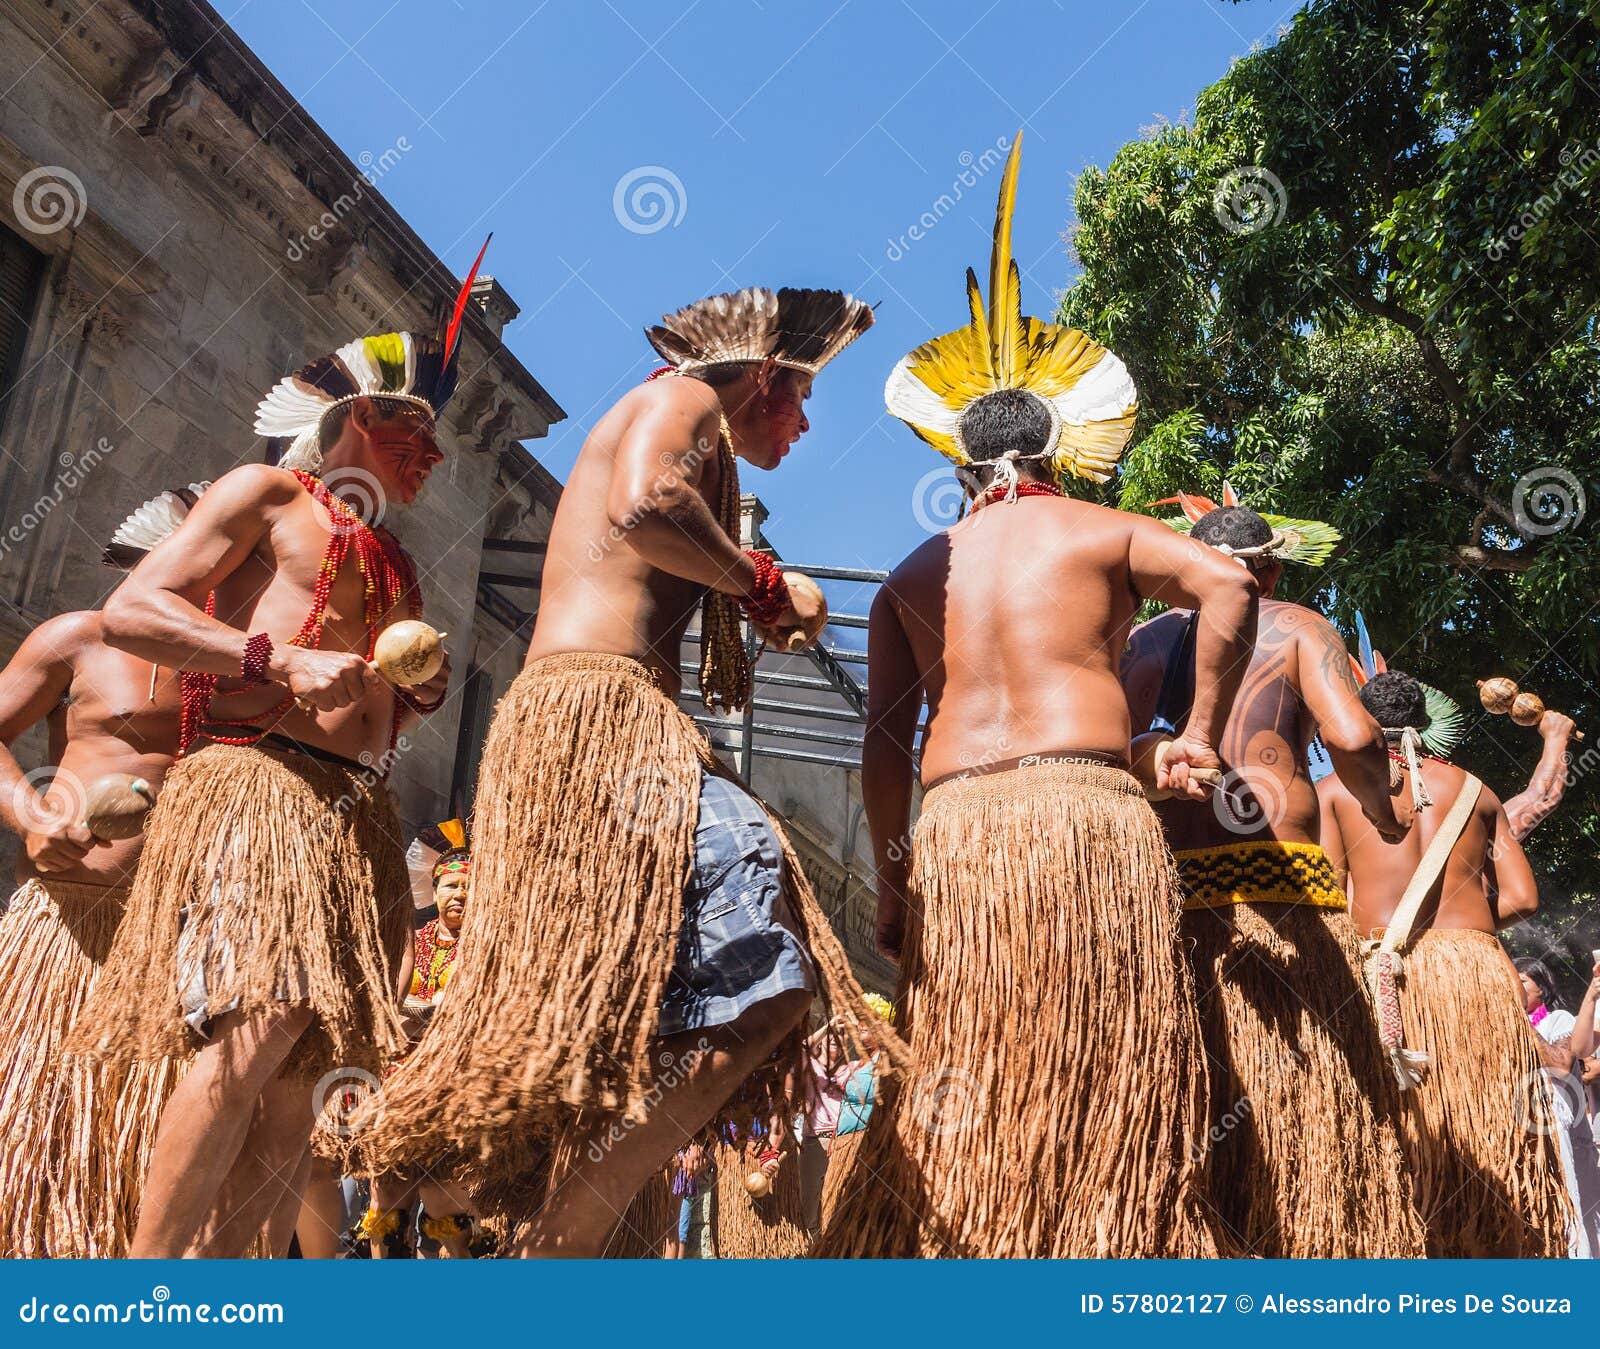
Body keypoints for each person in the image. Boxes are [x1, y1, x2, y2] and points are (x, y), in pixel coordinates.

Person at [359, 281, 901, 1258]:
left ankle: (525, 1220)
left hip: (583, 719)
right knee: (771, 971)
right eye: (805, 396)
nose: (809, 421)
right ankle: (554, 1236)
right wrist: (763, 579)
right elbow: (652, 502)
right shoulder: (684, 400)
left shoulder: (693, 439)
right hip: (602, 714)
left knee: (628, 1003)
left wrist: (751, 584)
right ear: (767, 377)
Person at [817, 135, 1256, 1259]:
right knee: (1103, 1071)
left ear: (956, 458)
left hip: (958, 830)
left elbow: (881, 739)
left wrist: (891, 874)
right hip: (1080, 816)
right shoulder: (1100, 527)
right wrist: (1193, 733)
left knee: (972, 1068)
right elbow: (1226, 579)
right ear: (1059, 448)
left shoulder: (918, 573)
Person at [66, 314, 467, 1257]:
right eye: (423, 438)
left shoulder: (394, 559)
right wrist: (273, 657)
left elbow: (374, 693)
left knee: (305, 1074)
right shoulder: (268, 494)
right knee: (264, 1019)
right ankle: (144, 1286)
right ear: (365, 417)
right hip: (262, 786)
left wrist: (418, 691)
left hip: (354, 814)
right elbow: (131, 610)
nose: (437, 462)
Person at [1121, 487, 1426, 1258]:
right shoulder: (1293, 625)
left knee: (1176, 1112)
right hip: (1275, 896)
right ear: (1270, 575)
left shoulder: (1143, 637)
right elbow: (1354, 734)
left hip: (1164, 898)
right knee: (1306, 1126)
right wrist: (1384, 813)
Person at [0, 489, 204, 1257]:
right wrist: (30, 814)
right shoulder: (76, 640)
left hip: (169, 949)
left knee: (133, 1166)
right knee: (26, 1143)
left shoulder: (244, 671)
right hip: (60, 930)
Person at [1318, 669, 1569, 1256]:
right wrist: (1460, 920)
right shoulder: (1476, 792)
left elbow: (1328, 902)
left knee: (1397, 1141)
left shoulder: (1334, 792)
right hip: (1476, 974)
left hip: (1388, 975)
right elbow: (1523, 899)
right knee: (1492, 1133)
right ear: (1428, 724)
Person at [356, 839, 479, 1259]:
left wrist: (420, 1014)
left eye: (468, 885)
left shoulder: (485, 951)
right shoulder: (411, 938)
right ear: (434, 889)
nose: (459, 894)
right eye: (450, 885)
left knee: (441, 1190)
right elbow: (386, 1002)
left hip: (450, 1086)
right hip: (393, 1081)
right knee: (386, 1195)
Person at [1517, 957, 1600, 1257]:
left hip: (1568, 1139)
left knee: (1580, 1221)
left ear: (1541, 988)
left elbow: (1564, 1064)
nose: (1514, 986)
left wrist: (1520, 1022)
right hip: (1531, 1139)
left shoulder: (1559, 1020)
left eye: (1522, 980)